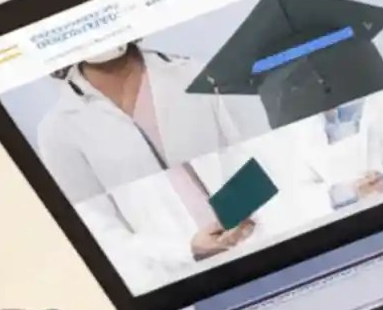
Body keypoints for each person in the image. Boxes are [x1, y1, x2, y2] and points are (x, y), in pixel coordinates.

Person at [38, 43, 256, 291]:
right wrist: (185, 250)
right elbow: (99, 229)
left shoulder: (192, 73)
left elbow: (248, 151)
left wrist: (239, 215)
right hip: (173, 281)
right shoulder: (58, 129)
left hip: (254, 247)